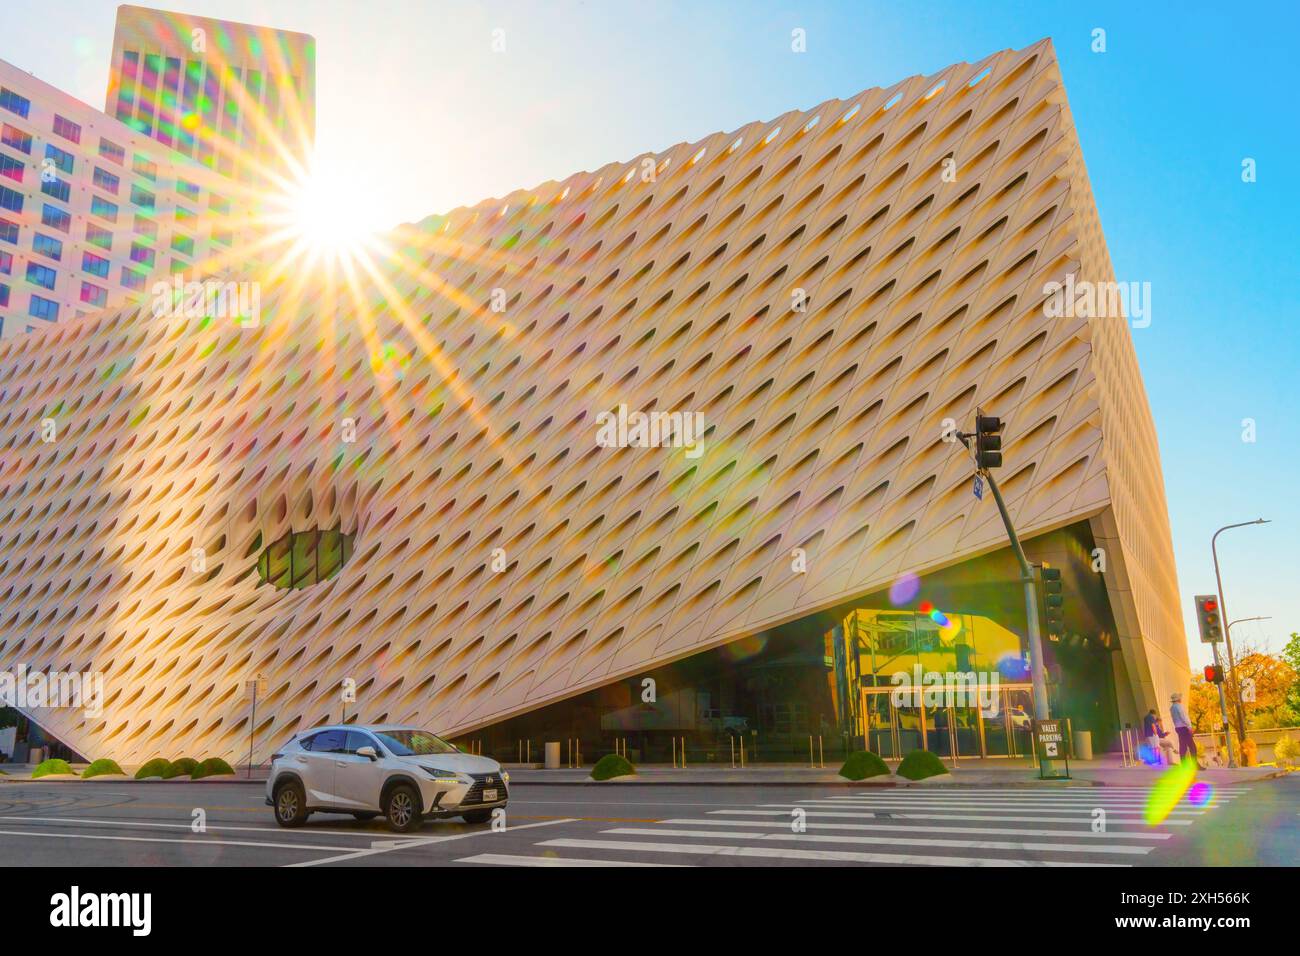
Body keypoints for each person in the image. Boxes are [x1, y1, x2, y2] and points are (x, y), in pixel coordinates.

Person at [1170, 692, 1198, 763]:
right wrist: (1189, 726)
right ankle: (1195, 764)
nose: (1181, 699)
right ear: (1178, 699)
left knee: (1183, 746)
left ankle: (1183, 764)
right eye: (1180, 698)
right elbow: (1183, 717)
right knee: (1192, 746)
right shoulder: (1179, 706)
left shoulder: (1172, 708)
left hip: (1178, 728)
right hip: (1184, 728)